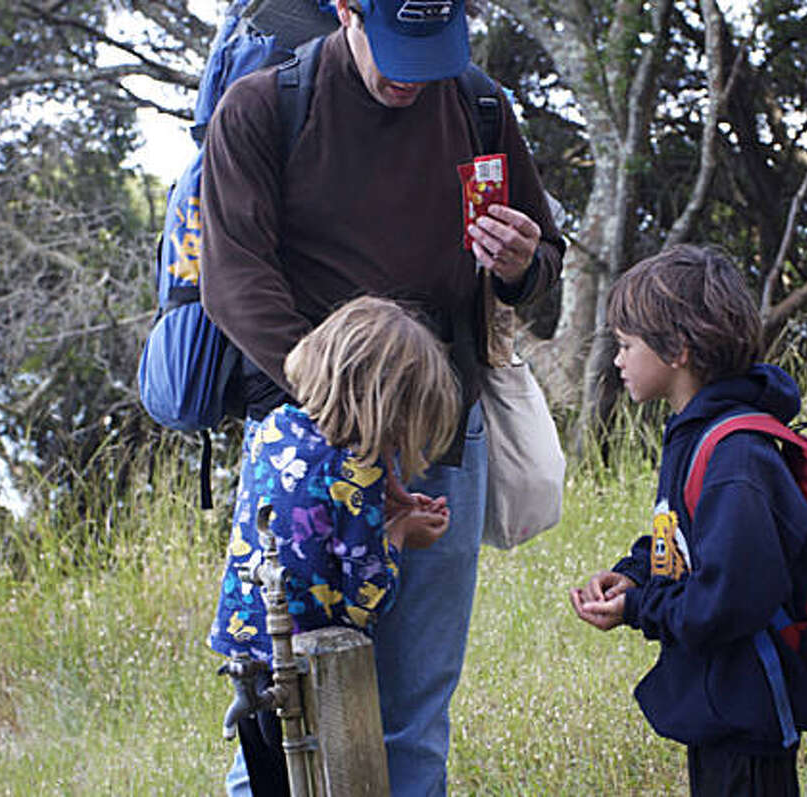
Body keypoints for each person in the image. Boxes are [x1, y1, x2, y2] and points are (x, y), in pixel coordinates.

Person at [198, 0, 565, 793]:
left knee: (412, 717)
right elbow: (234, 283)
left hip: (442, 437)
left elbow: (542, 265)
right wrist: (349, 423)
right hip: (309, 453)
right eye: (398, 46)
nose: (414, 74)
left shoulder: (477, 102)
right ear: (345, 9)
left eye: (434, 46)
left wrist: (519, 265)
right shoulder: (264, 108)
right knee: (285, 711)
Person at [568, 244, 807, 796]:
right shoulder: (695, 432)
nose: (617, 360)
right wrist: (636, 573)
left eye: (626, 345)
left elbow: (726, 601)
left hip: (747, 711)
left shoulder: (736, 457)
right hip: (717, 701)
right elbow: (682, 532)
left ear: (677, 349)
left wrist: (639, 608)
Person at [209, 296, 461, 795]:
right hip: (308, 660)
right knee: (324, 778)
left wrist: (383, 500)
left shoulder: (275, 427)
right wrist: (399, 533)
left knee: (266, 777)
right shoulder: (357, 468)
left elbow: (303, 517)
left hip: (247, 637)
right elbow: (365, 600)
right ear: (390, 408)